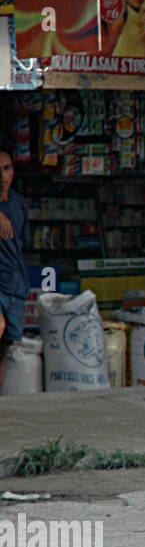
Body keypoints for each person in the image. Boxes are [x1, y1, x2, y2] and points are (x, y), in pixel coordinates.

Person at [0, 150, 31, 392]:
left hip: (15, 281)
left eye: (6, 168)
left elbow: (20, 244)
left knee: (6, 347)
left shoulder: (19, 203)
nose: (2, 175)